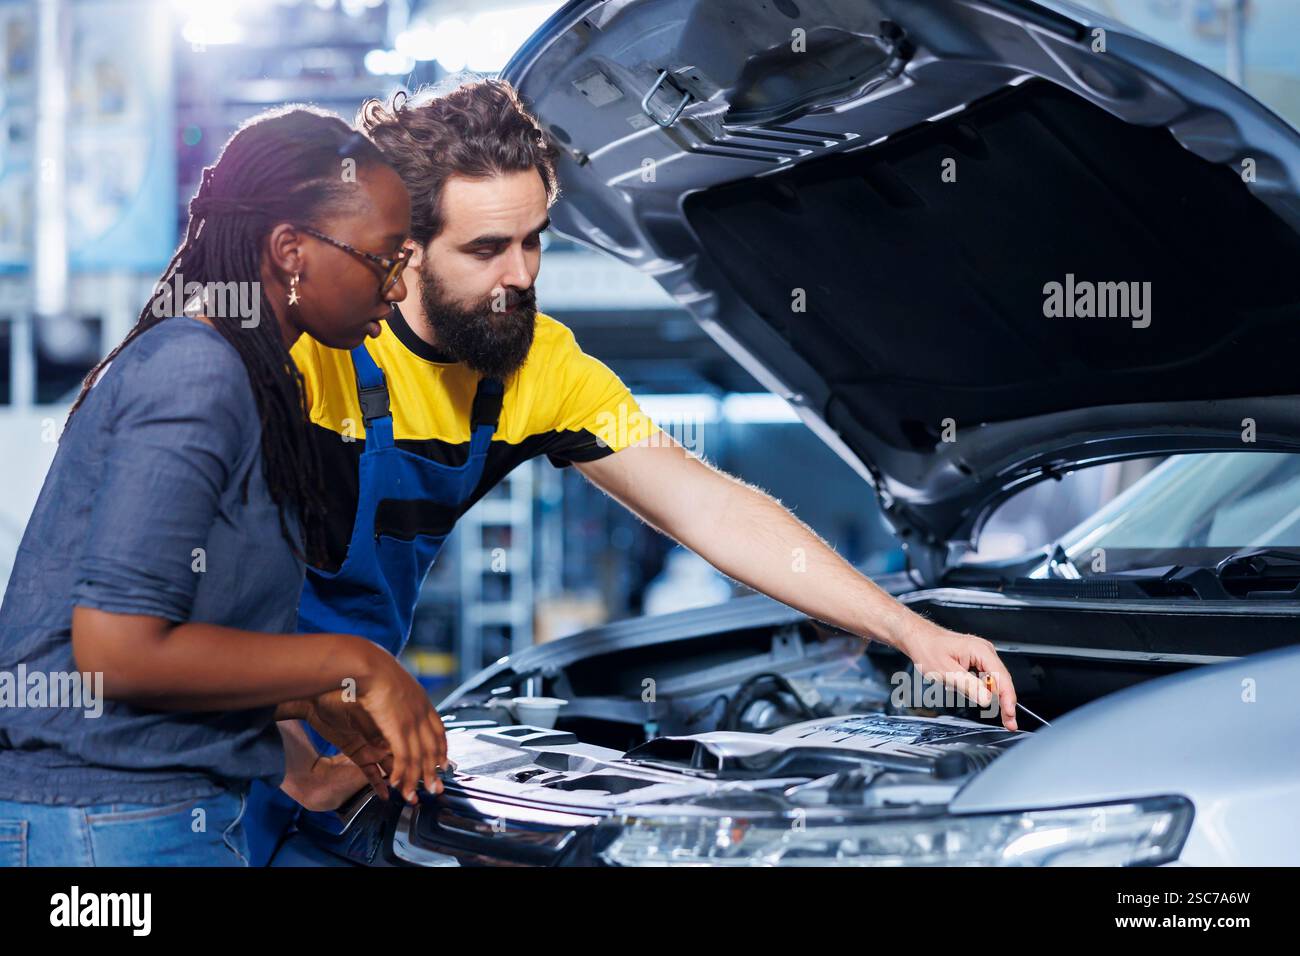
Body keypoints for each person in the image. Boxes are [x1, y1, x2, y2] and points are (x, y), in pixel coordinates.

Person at [252, 79, 1021, 866]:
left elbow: (707, 506)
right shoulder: (310, 347)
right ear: (402, 252)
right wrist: (285, 752)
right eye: (486, 249)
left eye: (534, 239)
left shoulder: (538, 365)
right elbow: (177, 579)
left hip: (353, 763)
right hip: (219, 737)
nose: (520, 275)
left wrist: (907, 629)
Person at [0, 106, 442, 867]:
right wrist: (359, 664)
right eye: (382, 260)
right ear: (289, 251)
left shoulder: (252, 373)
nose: (396, 289)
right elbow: (115, 654)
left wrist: (304, 734)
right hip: (107, 827)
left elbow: (180, 636)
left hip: (136, 817)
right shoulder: (197, 369)